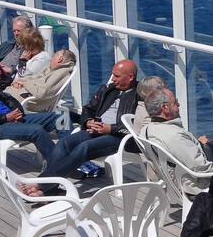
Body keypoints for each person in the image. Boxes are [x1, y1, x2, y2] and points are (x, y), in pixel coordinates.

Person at [19, 59, 138, 192]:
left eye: (117, 76)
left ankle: (42, 185)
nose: (113, 79)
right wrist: (88, 121)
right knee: (64, 142)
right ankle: (49, 189)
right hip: (96, 129)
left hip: (118, 137)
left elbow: (137, 124)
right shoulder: (107, 90)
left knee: (83, 147)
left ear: (130, 77)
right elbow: (88, 109)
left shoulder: (139, 95)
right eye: (112, 75)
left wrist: (110, 128)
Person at [5, 48, 77, 111]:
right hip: (19, 95)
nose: (51, 59)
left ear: (60, 59)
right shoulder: (49, 69)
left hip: (28, 103)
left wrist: (24, 83)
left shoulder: (61, 73)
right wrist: (20, 81)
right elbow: (34, 77)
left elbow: (42, 92)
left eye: (54, 56)